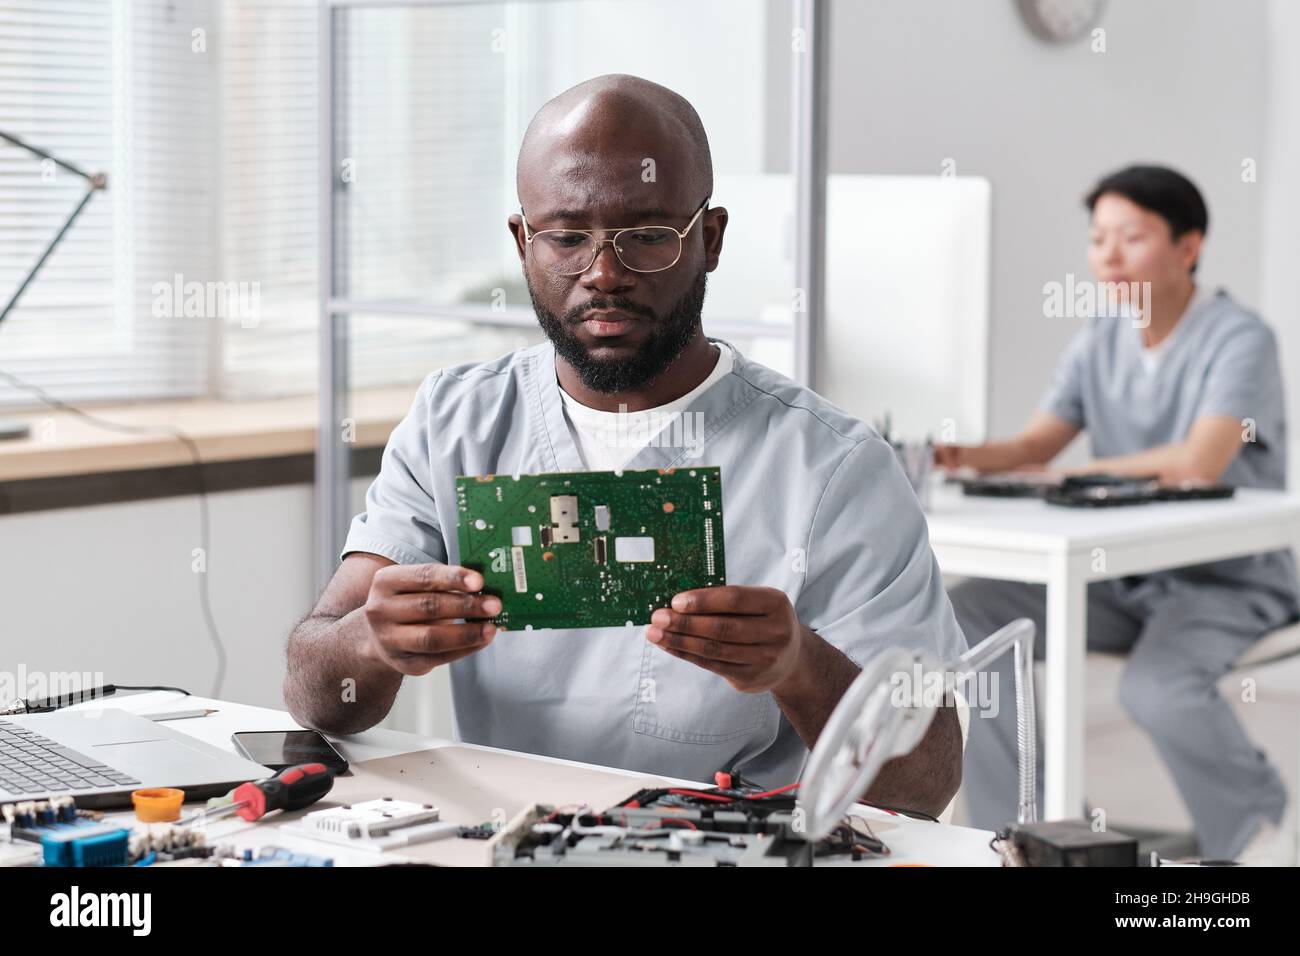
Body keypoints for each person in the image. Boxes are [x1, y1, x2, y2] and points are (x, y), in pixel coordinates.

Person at [284, 74, 966, 816]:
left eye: (646, 236)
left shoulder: (833, 466)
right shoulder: (454, 421)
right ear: (523, 243)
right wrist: (369, 643)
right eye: (568, 238)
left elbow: (925, 783)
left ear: (709, 240)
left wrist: (799, 666)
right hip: (504, 842)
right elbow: (319, 700)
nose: (604, 274)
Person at [937, 165, 1298, 859]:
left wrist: (1075, 472)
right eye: (1097, 238)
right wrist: (957, 452)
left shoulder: (1239, 337)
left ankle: (1259, 828)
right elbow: (1036, 444)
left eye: (1130, 237)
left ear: (1188, 247)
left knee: (1157, 688)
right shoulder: (1100, 337)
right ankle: (1041, 826)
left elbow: (1200, 462)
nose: (1106, 255)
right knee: (971, 619)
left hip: (1226, 581)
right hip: (1124, 577)